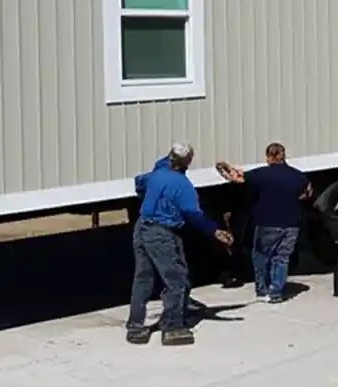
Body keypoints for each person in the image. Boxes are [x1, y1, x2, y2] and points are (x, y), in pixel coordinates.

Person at [127, 142, 232, 346]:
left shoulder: (157, 173)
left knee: (143, 278)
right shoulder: (182, 185)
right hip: (162, 232)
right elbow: (193, 214)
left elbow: (139, 182)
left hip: (142, 227)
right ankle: (172, 327)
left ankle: (135, 326)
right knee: (177, 281)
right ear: (188, 162)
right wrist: (215, 231)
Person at [216, 142, 311, 304]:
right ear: (283, 155)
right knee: (281, 258)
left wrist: (223, 167)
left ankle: (262, 290)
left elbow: (236, 178)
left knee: (261, 256)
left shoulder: (260, 175)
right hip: (291, 224)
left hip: (267, 223)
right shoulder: (298, 176)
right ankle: (276, 293)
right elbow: (307, 193)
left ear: (268, 157)